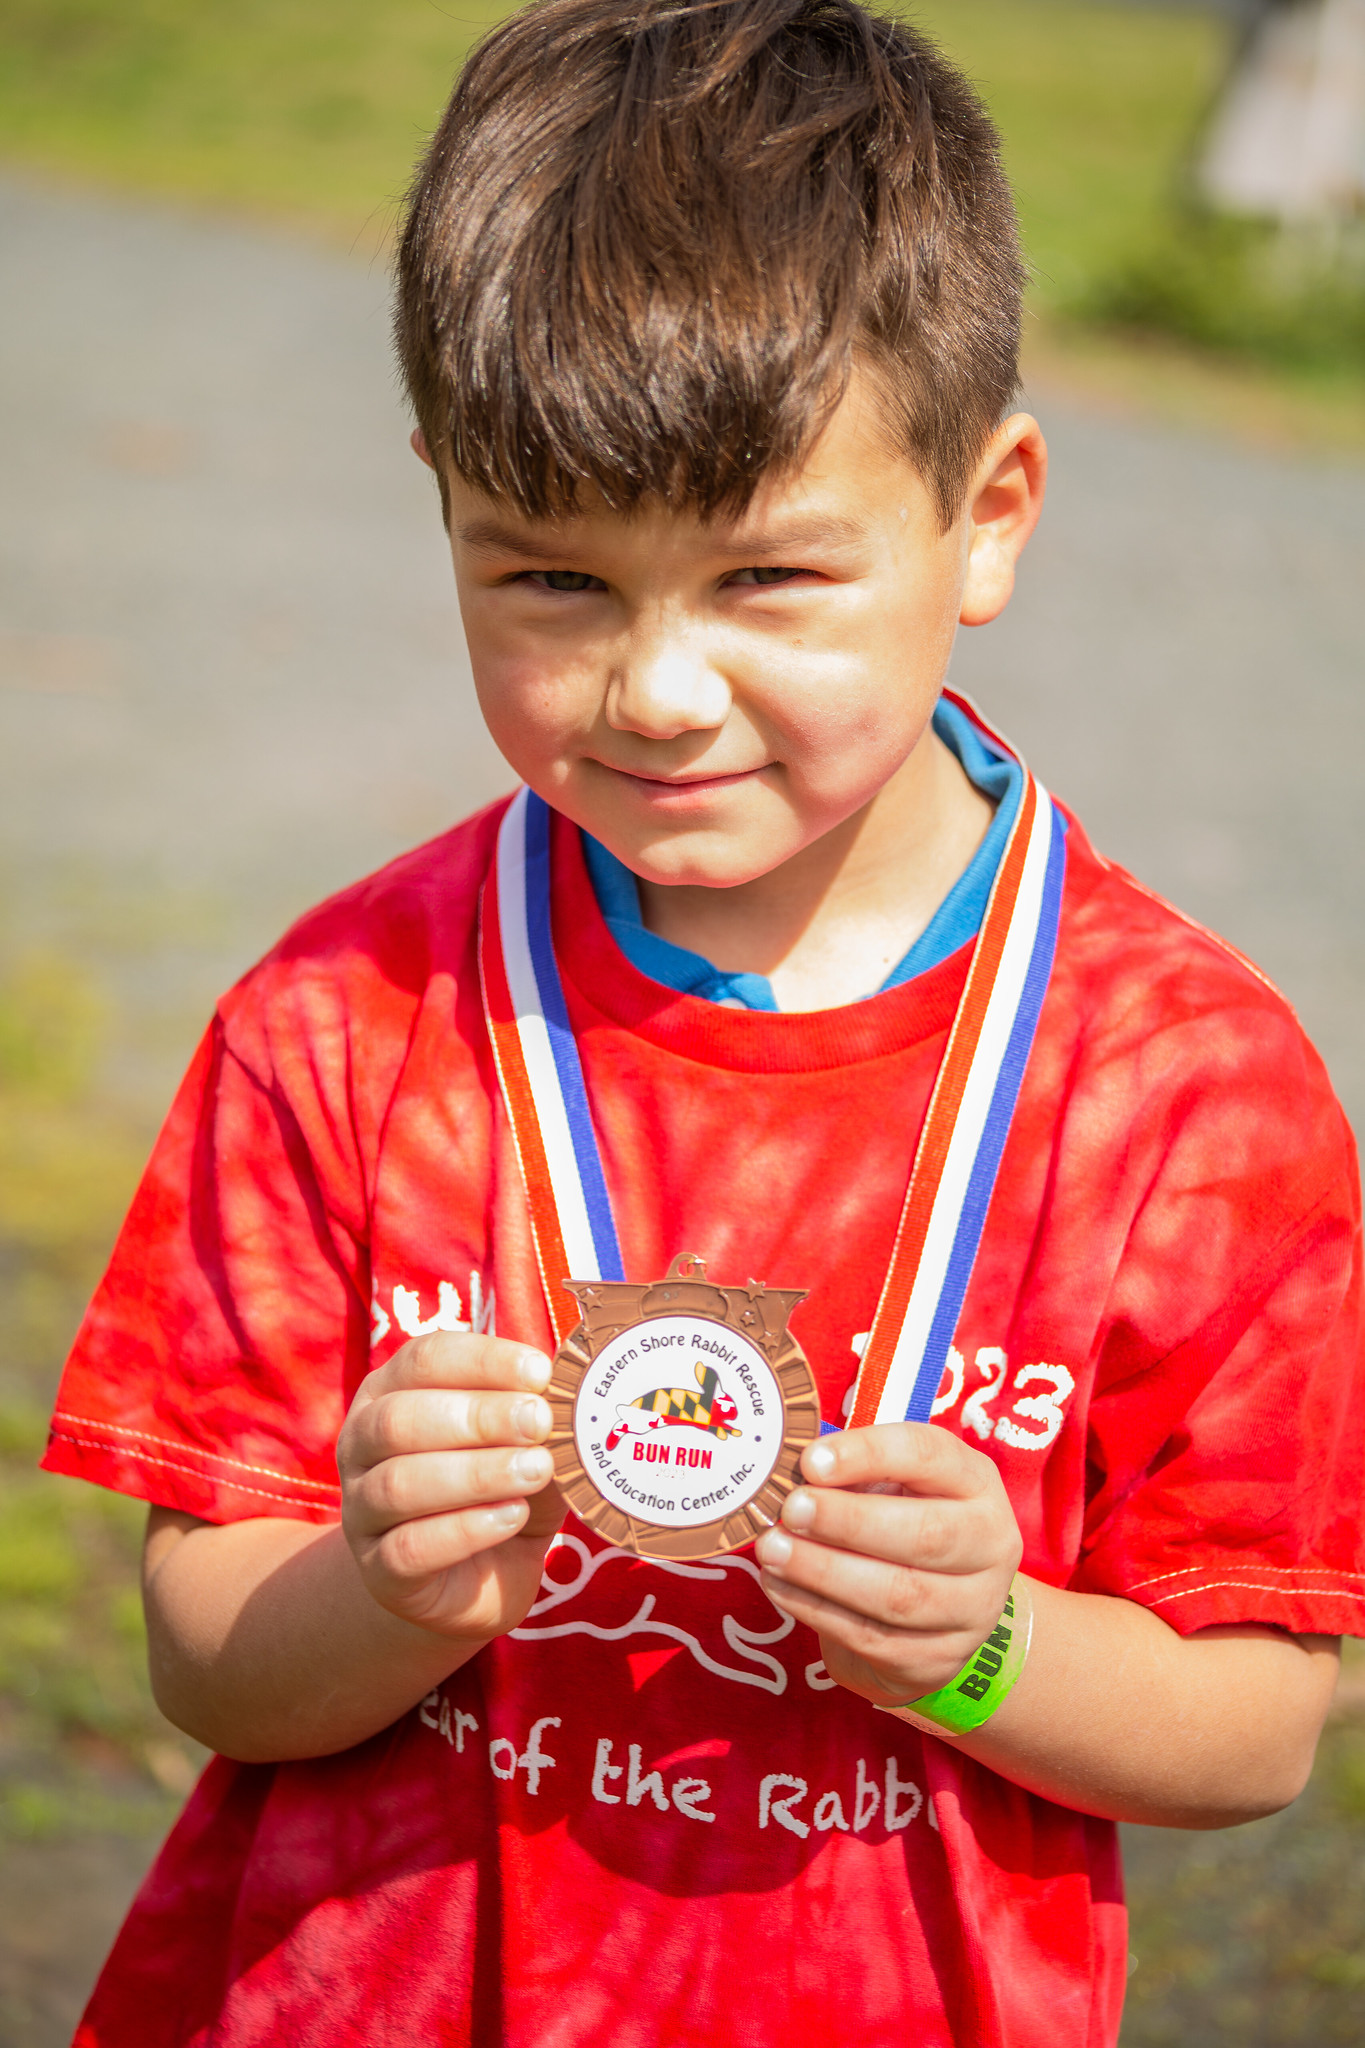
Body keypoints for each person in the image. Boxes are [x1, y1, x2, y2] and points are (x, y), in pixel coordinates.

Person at [43, 0, 1364, 2042]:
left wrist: (992, 1641)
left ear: (987, 511)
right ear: (441, 508)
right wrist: (382, 1591)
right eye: (550, 580)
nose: (655, 691)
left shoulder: (1184, 1099)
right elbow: (209, 1661)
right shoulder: (338, 1025)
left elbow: (1255, 1730)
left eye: (764, 578)